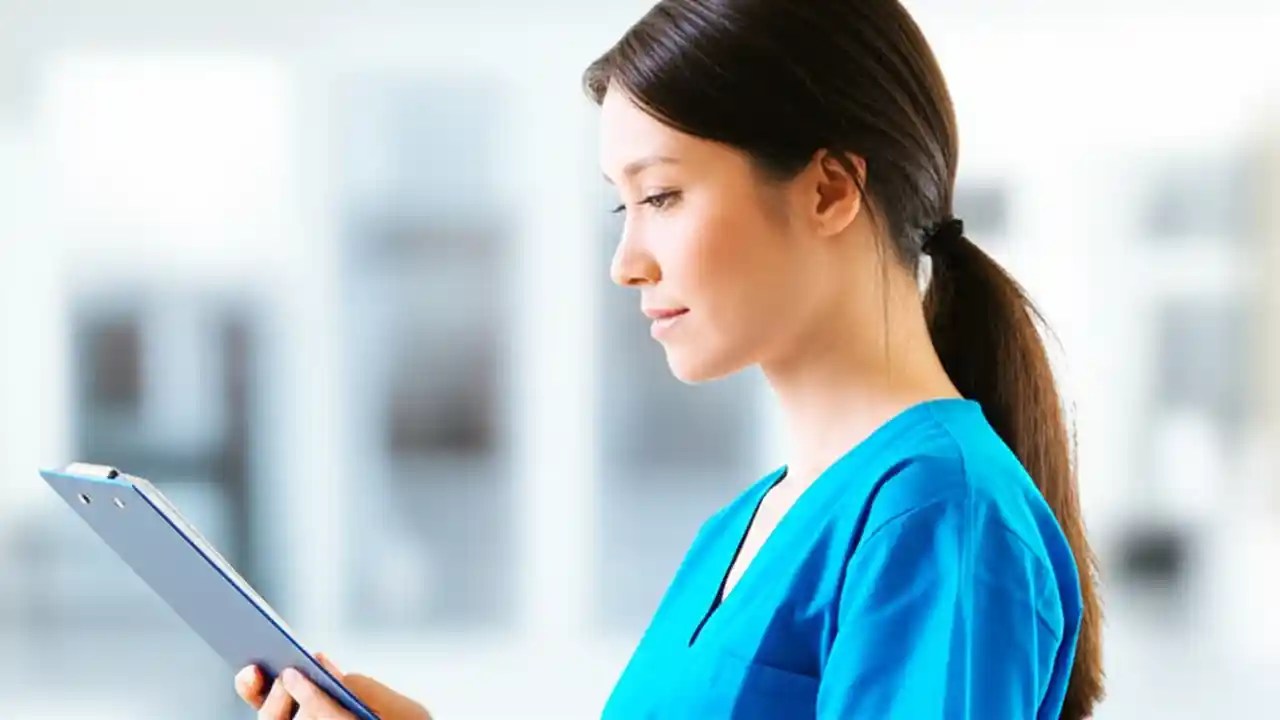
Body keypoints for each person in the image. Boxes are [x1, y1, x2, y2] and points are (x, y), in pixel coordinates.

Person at [235, 0, 1105, 717]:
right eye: (625, 208)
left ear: (830, 189)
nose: (628, 262)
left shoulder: (936, 513)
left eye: (661, 194)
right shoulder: (742, 528)